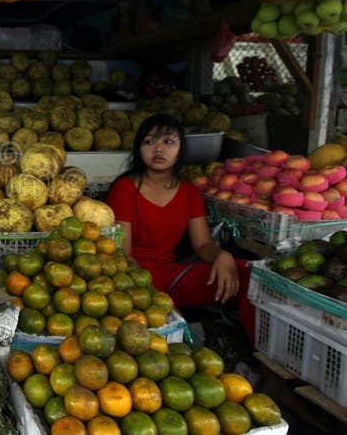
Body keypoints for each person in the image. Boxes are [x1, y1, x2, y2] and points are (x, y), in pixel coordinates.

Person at [105, 113, 254, 346]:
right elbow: (123, 256)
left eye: (168, 142)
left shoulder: (188, 192)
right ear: (138, 149)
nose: (159, 149)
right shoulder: (125, 190)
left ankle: (256, 353)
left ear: (181, 149)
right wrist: (157, 298)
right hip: (133, 280)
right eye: (150, 142)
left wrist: (222, 256)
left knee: (247, 274)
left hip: (172, 275)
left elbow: (203, 245)